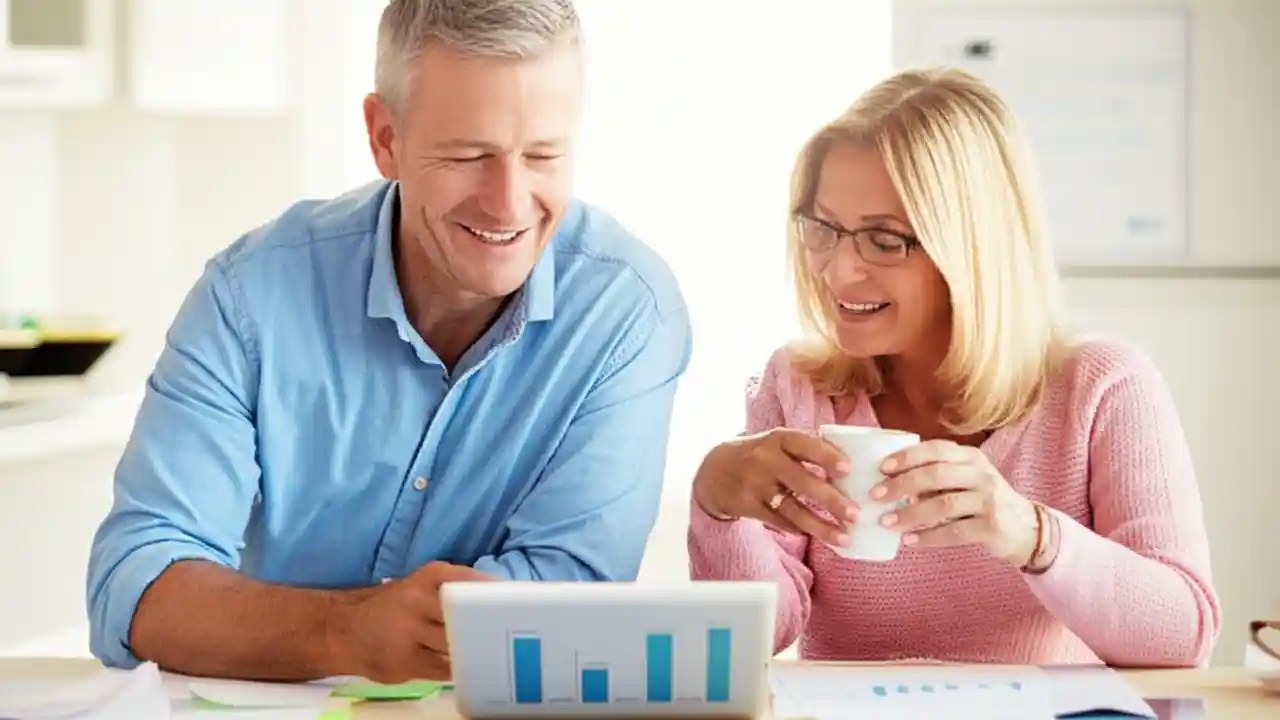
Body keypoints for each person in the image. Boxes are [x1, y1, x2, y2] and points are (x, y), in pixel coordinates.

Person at [87, 0, 691, 683]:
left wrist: (301, 624)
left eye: (543, 155)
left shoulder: (626, 312)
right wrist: (347, 634)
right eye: (469, 155)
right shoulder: (251, 295)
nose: (509, 202)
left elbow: (566, 596)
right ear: (385, 138)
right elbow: (135, 586)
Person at [688, 67, 1219, 667]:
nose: (837, 271)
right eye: (823, 228)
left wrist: (1031, 535)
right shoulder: (800, 388)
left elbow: (1184, 635)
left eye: (884, 241)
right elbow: (749, 645)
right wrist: (718, 506)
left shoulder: (1100, 387)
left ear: (970, 250)